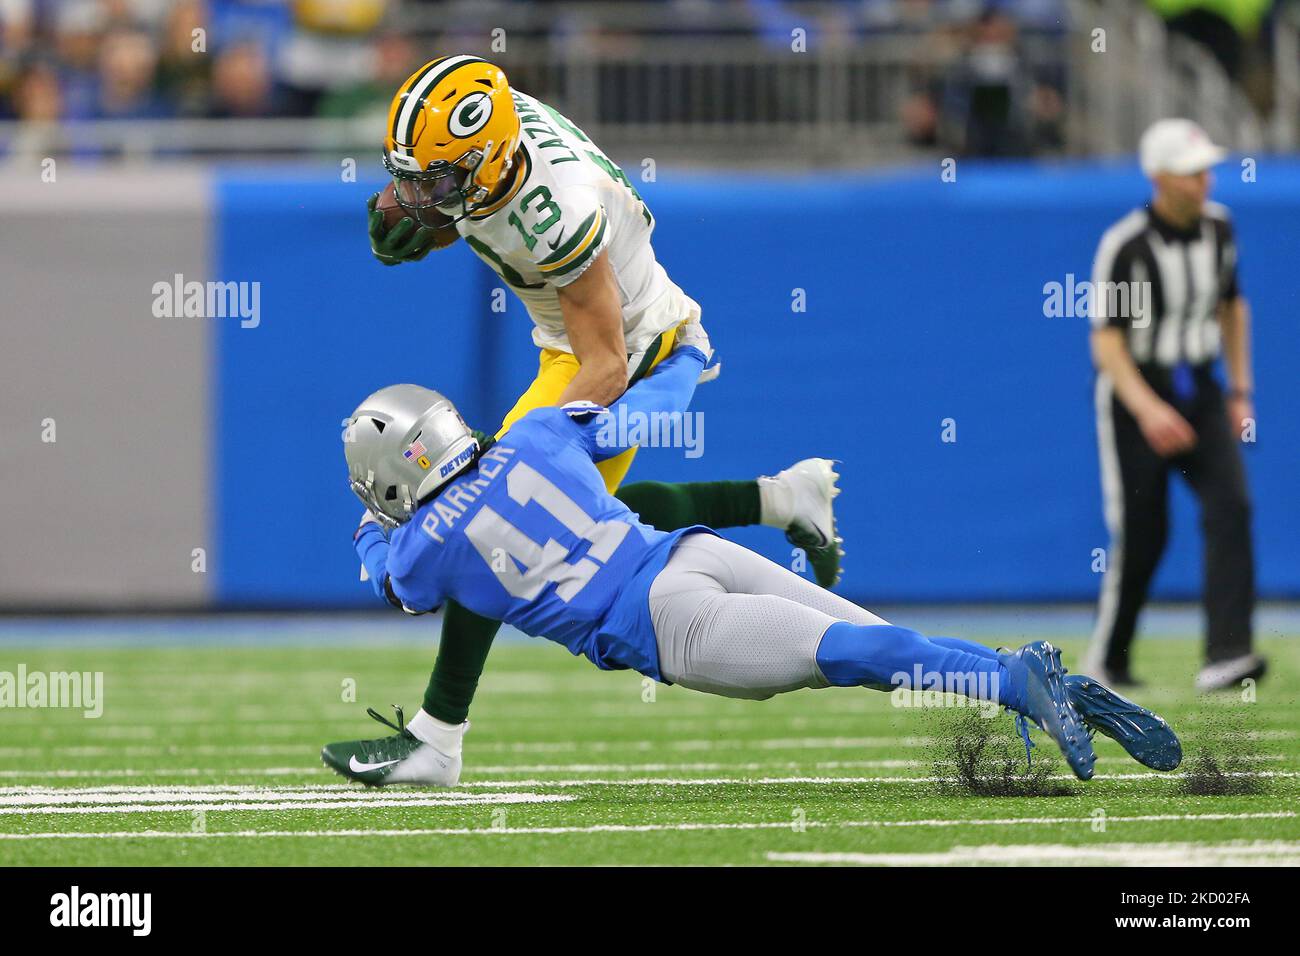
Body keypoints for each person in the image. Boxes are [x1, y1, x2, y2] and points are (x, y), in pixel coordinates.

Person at [323, 321, 1182, 787]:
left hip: (668, 622)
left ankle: (1017, 684)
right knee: (889, 648)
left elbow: (388, 576)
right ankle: (1044, 684)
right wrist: (690, 359)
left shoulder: (422, 547)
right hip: (690, 557)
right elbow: (641, 419)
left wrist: (371, 524)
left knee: (856, 658)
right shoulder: (534, 435)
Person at [362, 54, 845, 742]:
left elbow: (607, 363)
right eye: (411, 176)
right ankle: (782, 499)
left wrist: (510, 471)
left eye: (432, 180)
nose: (414, 193)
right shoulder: (488, 145)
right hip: (571, 333)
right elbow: (463, 197)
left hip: (629, 339)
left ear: (490, 161)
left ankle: (437, 736)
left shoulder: (554, 206)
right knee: (581, 520)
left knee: (497, 520)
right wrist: (424, 210)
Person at [1084, 118, 1262, 692]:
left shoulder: (1219, 229)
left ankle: (1227, 653)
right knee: (1144, 531)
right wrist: (1147, 408)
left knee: (1231, 507)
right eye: (1190, 173)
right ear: (1159, 177)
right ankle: (1108, 659)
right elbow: (1106, 341)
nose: (1204, 181)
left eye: (1207, 170)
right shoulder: (1126, 244)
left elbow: (1233, 309)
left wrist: (1239, 390)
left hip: (1200, 387)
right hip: (1137, 392)